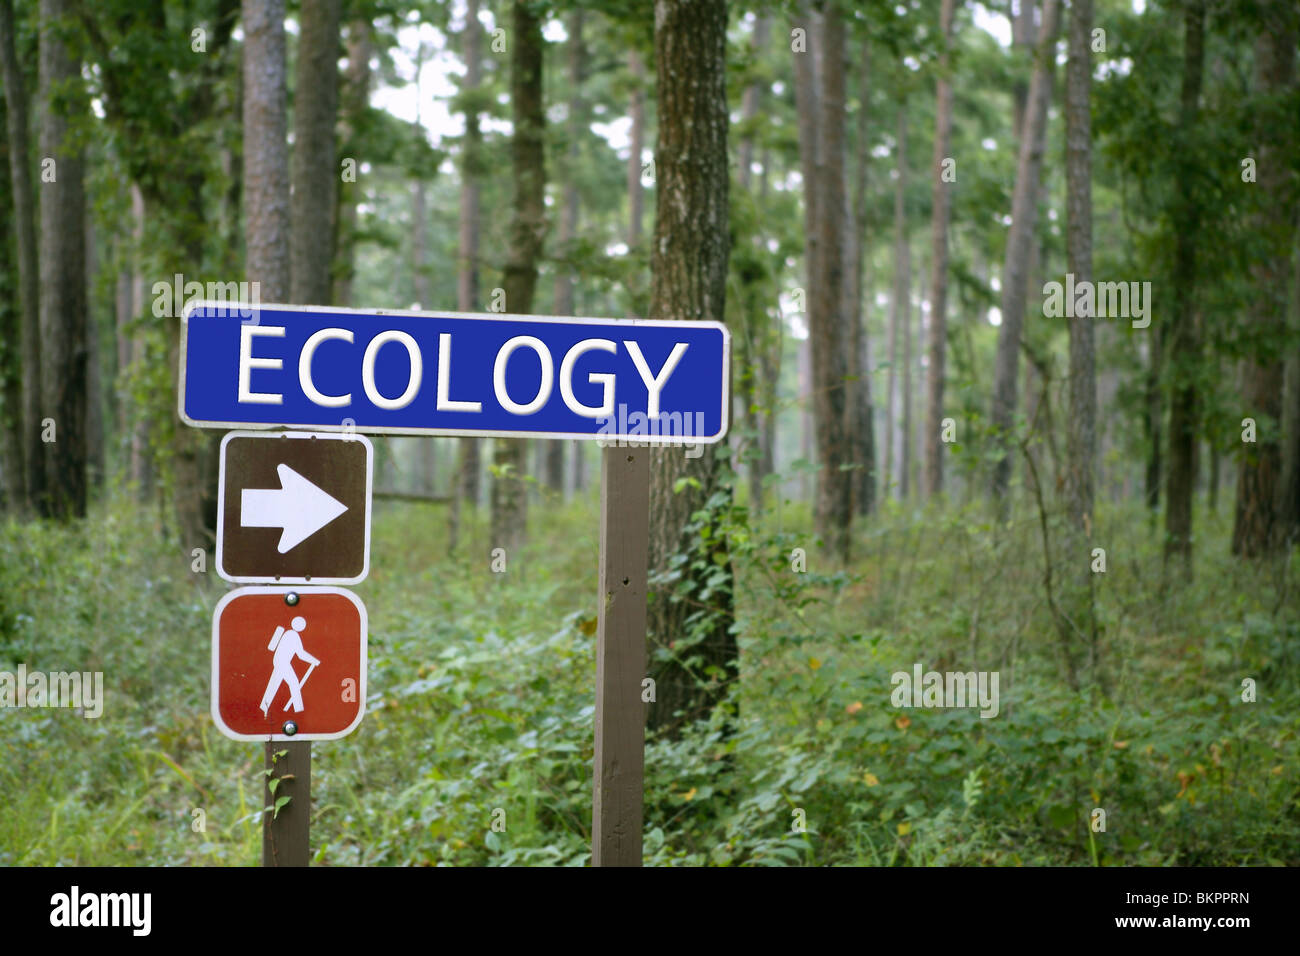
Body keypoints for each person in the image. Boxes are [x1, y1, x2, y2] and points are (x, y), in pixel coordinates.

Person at [259, 616, 320, 716]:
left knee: (274, 684)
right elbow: (300, 654)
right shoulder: (294, 635)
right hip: (283, 663)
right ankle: (299, 710)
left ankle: (264, 708)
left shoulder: (288, 633)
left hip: (278, 661)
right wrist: (314, 660)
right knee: (294, 683)